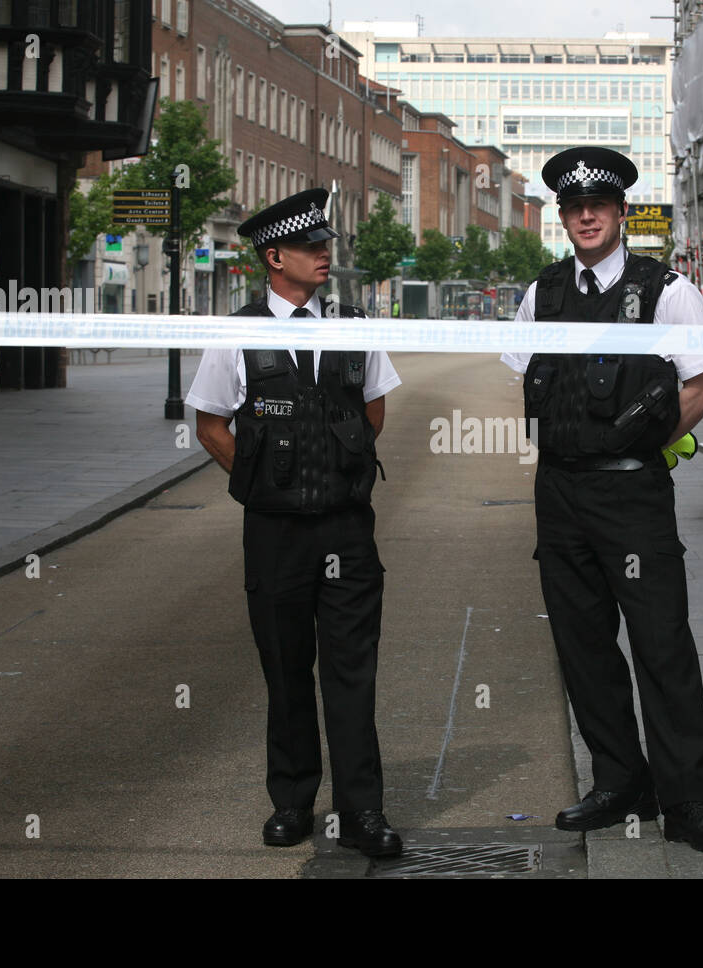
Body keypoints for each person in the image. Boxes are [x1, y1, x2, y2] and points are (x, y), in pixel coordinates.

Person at [500, 148, 703, 853]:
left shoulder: (666, 290)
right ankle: (618, 780)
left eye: (597, 205)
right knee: (583, 646)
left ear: (620, 213)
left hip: (632, 491)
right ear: (562, 218)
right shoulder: (541, 292)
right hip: (561, 492)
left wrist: (655, 446)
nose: (585, 216)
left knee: (661, 645)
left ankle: (688, 801)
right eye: (573, 208)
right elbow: (523, 372)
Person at [186, 188, 403, 858]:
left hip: (345, 528)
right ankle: (292, 801)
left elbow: (373, 409)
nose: (323, 255)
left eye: (324, 244)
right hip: (275, 534)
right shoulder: (238, 333)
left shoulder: (352, 325)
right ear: (274, 257)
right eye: (312, 247)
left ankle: (362, 811)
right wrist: (260, 483)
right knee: (284, 669)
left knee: (352, 671)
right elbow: (210, 423)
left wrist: (332, 471)